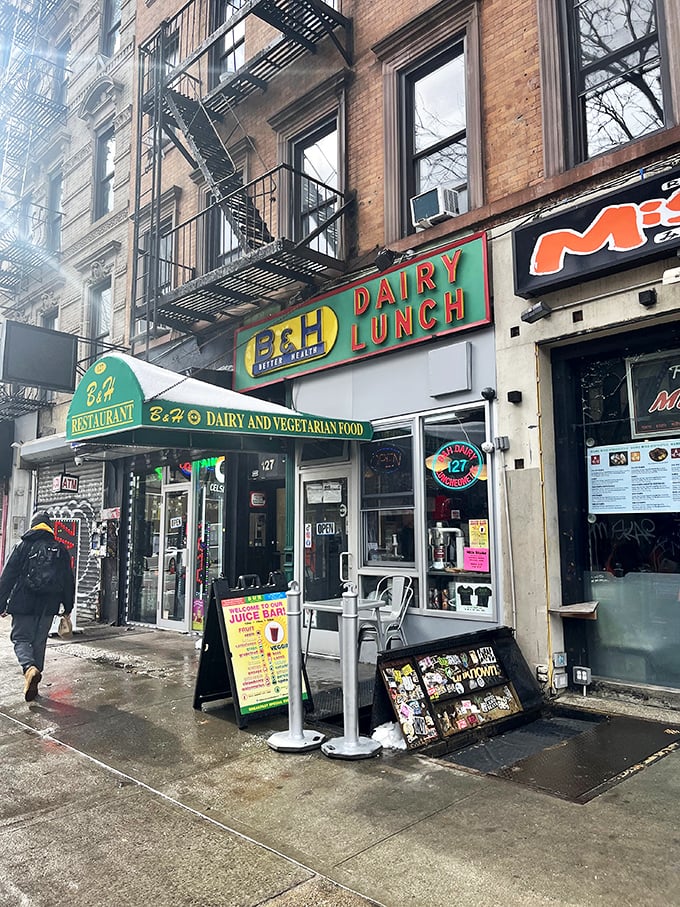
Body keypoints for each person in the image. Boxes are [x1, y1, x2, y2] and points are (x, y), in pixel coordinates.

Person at [0, 510, 75, 701]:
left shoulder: (22, 546)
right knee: (39, 642)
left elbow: (7, 577)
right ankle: (33, 680)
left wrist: (1, 604)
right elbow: (68, 581)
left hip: (23, 603)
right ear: (49, 527)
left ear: (33, 526)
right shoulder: (60, 549)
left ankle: (29, 668)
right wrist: (67, 607)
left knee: (21, 639)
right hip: (49, 606)